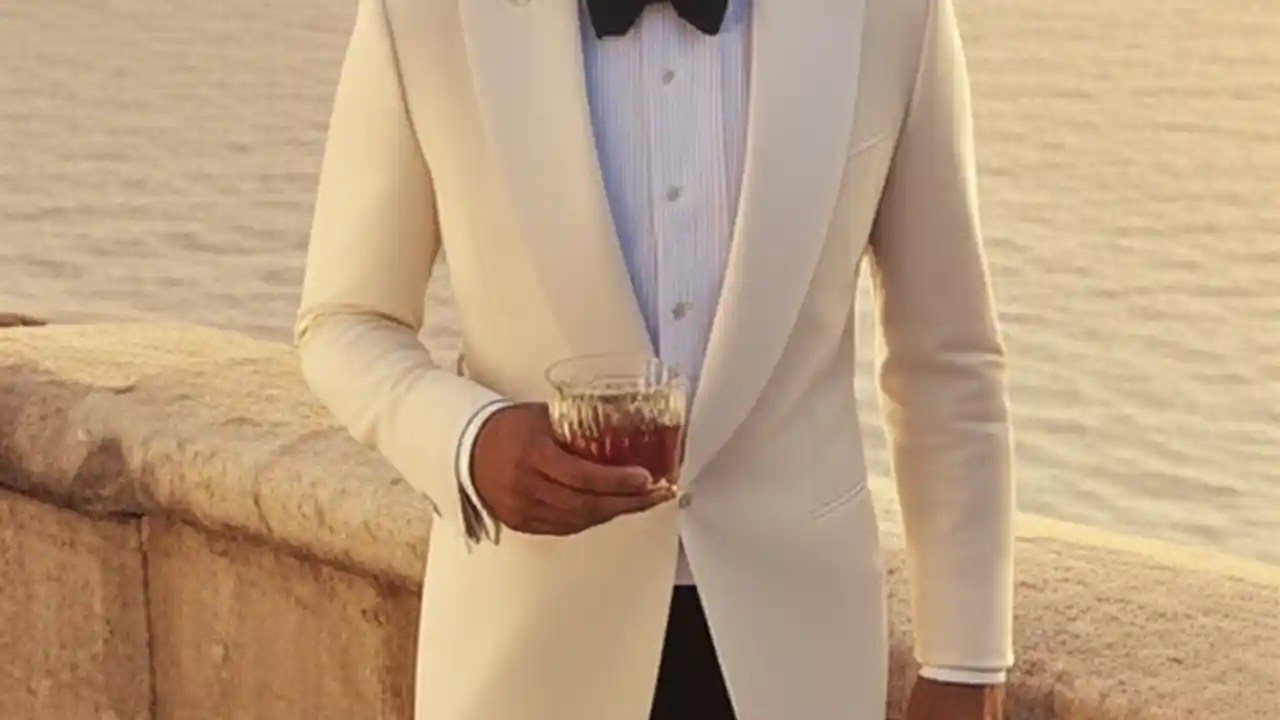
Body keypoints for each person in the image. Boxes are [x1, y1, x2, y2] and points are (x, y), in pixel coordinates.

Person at [294, 0, 1014, 717]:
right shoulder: (424, 17)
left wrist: (965, 659)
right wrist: (469, 441)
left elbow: (946, 357)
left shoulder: (892, 14)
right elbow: (346, 320)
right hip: (528, 651)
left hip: (797, 655)